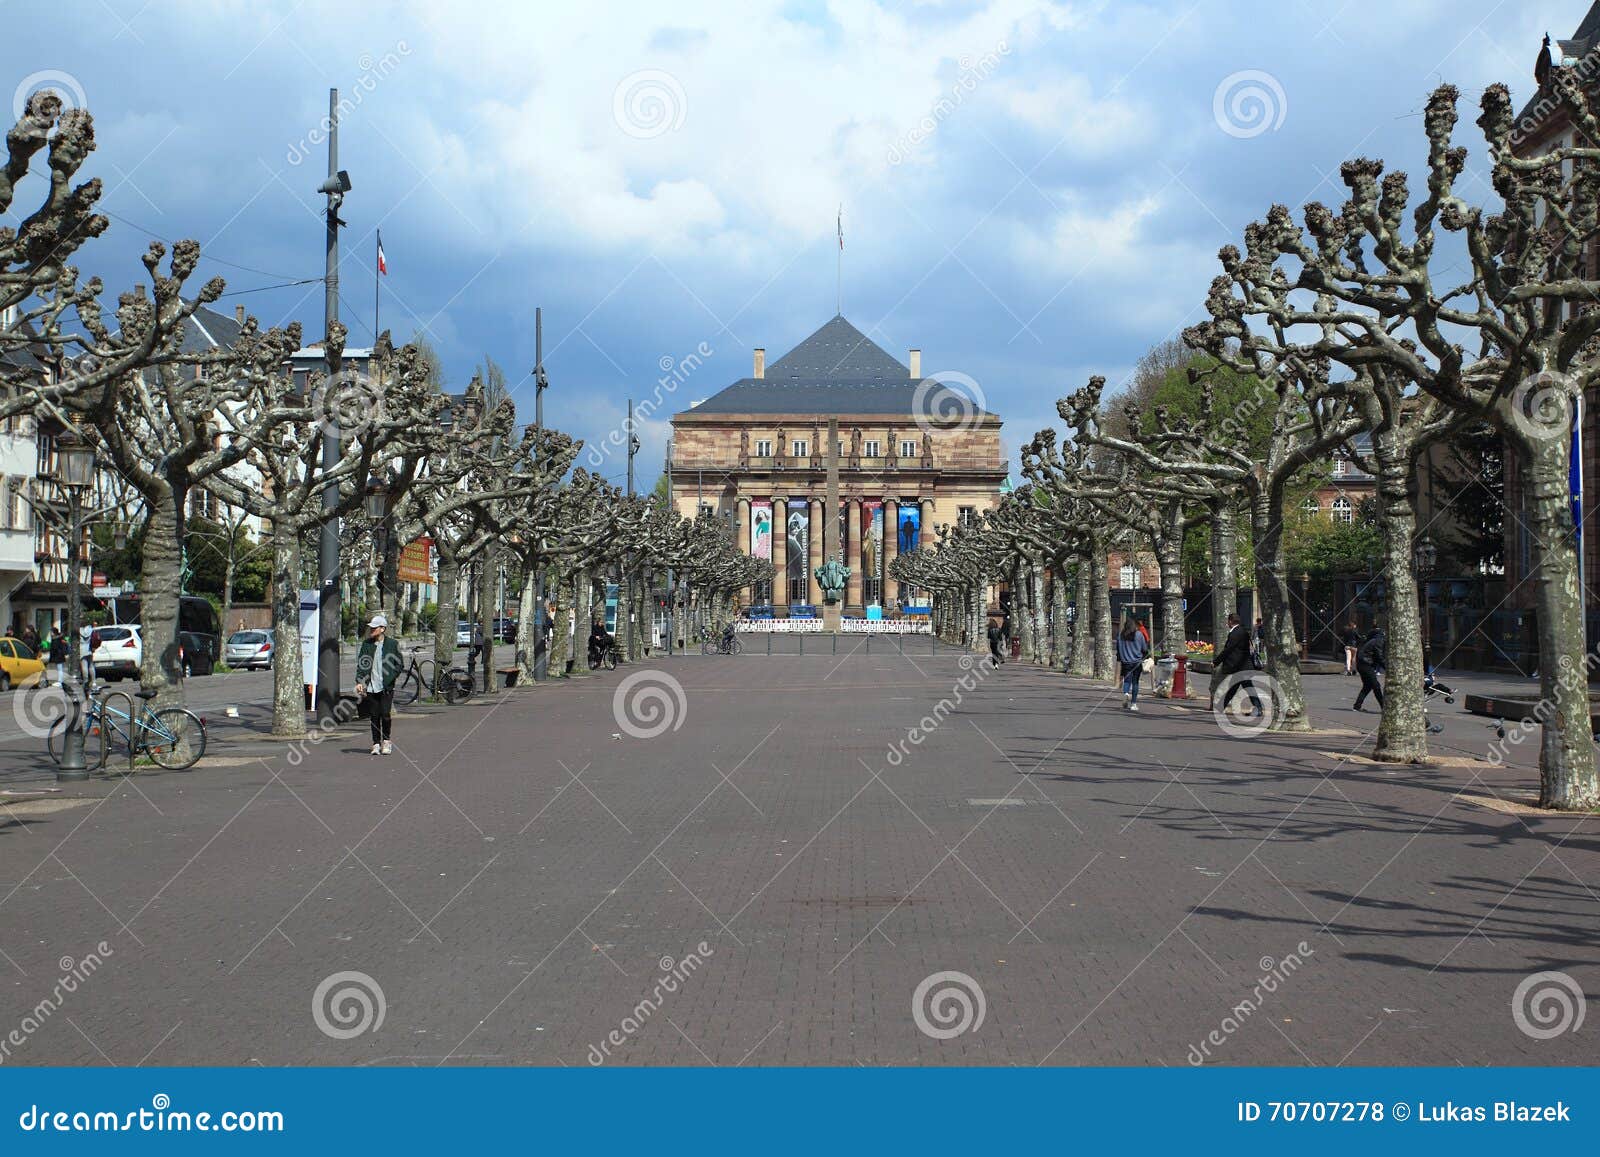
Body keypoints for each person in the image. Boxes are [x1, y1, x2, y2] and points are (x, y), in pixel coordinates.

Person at [354, 613, 403, 755]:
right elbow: (362, 664)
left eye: (375, 628)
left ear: (382, 628)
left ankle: (386, 741)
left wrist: (391, 677)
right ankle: (375, 744)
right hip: (371, 686)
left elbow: (399, 664)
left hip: (386, 686)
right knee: (374, 715)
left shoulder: (392, 644)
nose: (371, 630)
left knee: (385, 714)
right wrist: (359, 681)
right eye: (371, 628)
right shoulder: (367, 644)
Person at [1211, 612, 1255, 713]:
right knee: (1240, 687)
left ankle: (1220, 707)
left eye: (1228, 621)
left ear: (1230, 621)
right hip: (1243, 665)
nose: (1227, 623)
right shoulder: (1243, 631)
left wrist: (1216, 662)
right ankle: (1220, 707)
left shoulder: (1235, 633)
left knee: (1237, 687)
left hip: (1239, 666)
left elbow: (1228, 650)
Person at [1117, 618, 1150, 711]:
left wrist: (1120, 659)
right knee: (1135, 682)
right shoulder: (1139, 635)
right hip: (1137, 662)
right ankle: (1133, 704)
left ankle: (1126, 693)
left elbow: (1118, 650)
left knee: (1127, 681)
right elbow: (1144, 649)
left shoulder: (1120, 636)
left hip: (1125, 662)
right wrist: (1147, 656)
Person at [1353, 624, 1386, 712]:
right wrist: (1386, 667)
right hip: (1366, 664)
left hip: (1361, 663)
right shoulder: (1378, 640)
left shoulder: (1371, 640)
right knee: (1376, 686)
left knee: (1367, 686)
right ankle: (1384, 707)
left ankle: (1357, 706)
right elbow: (1379, 656)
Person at [47, 621, 69, 688]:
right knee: (59, 669)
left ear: (54, 632)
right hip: (59, 655)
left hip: (58, 655)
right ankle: (60, 681)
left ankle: (60, 681)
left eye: (51, 632)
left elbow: (55, 648)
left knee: (60, 669)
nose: (50, 633)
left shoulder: (56, 639)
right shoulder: (58, 638)